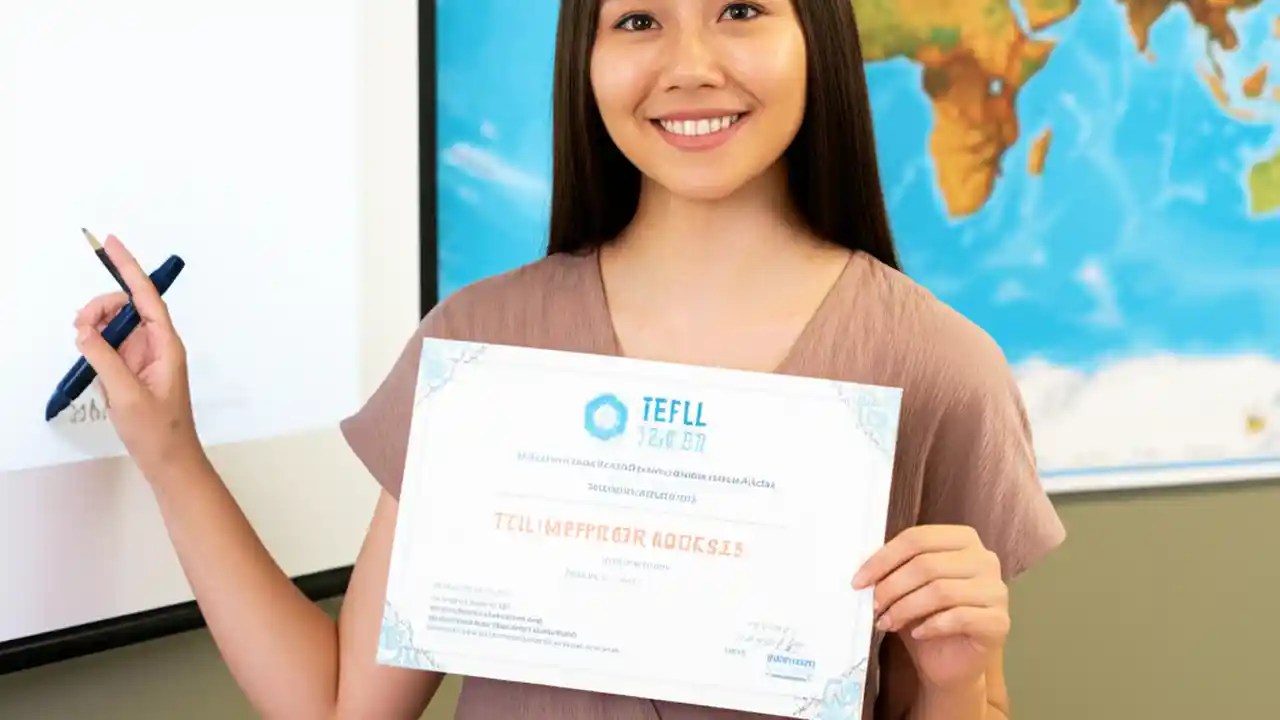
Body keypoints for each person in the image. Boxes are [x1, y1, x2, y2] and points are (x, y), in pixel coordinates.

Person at [71, 0, 1066, 718]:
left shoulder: (936, 370)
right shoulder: (481, 342)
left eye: (739, 10)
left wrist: (952, 679)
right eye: (637, 20)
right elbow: (339, 708)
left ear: (818, 36)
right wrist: (171, 455)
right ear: (582, 57)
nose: (688, 65)